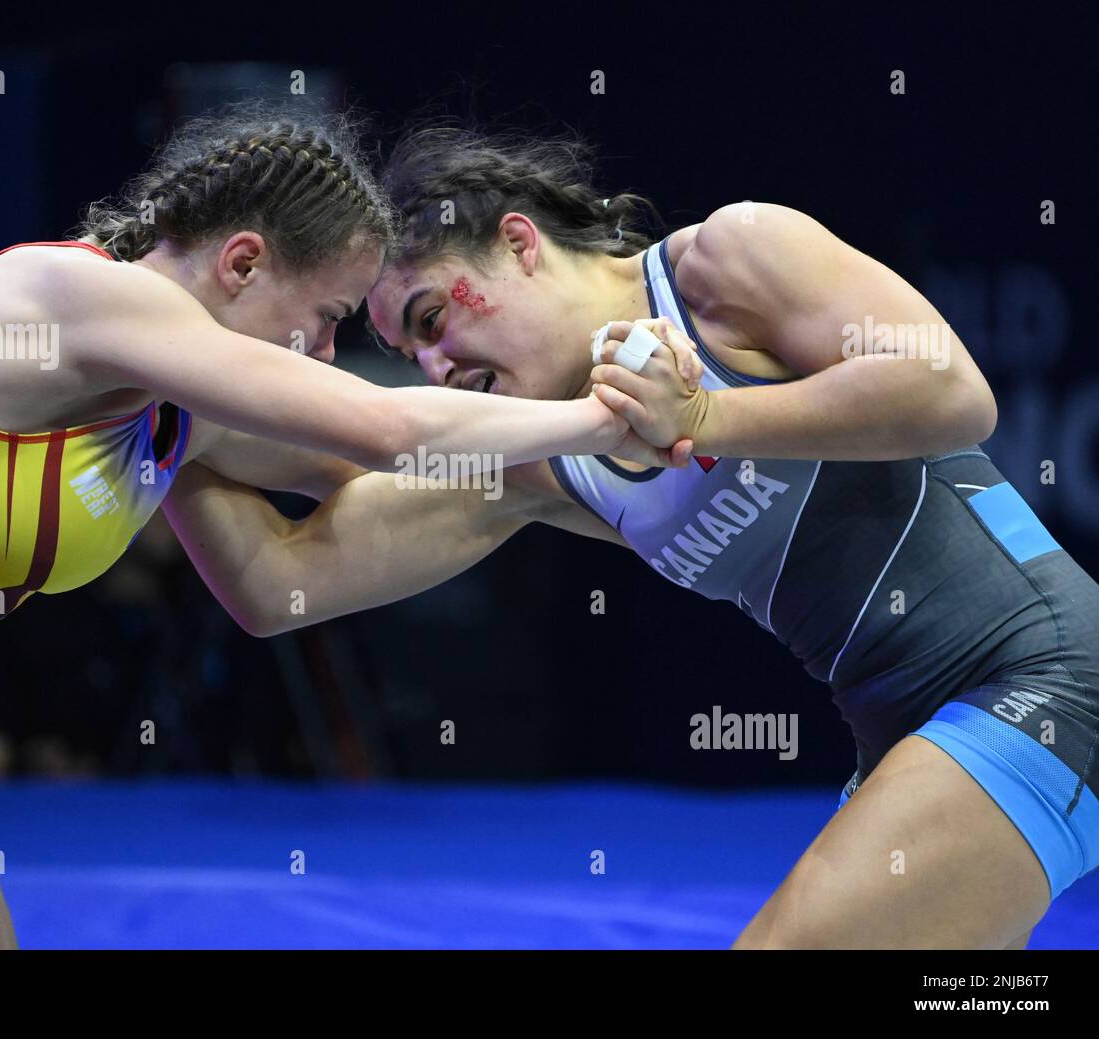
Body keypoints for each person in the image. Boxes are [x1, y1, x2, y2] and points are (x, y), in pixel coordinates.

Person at [169, 127, 1099, 949]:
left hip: (1046, 680)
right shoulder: (545, 462)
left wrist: (703, 416)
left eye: (432, 319)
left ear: (519, 244)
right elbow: (272, 580)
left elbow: (953, 393)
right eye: (414, 357)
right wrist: (157, 405)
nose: (437, 367)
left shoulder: (724, 264)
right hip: (906, 740)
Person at [0, 108, 659, 950]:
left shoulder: (179, 416)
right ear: (244, 262)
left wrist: (646, 515)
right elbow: (388, 429)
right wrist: (600, 418)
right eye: (327, 316)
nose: (325, 351)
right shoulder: (64, 296)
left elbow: (422, 474)